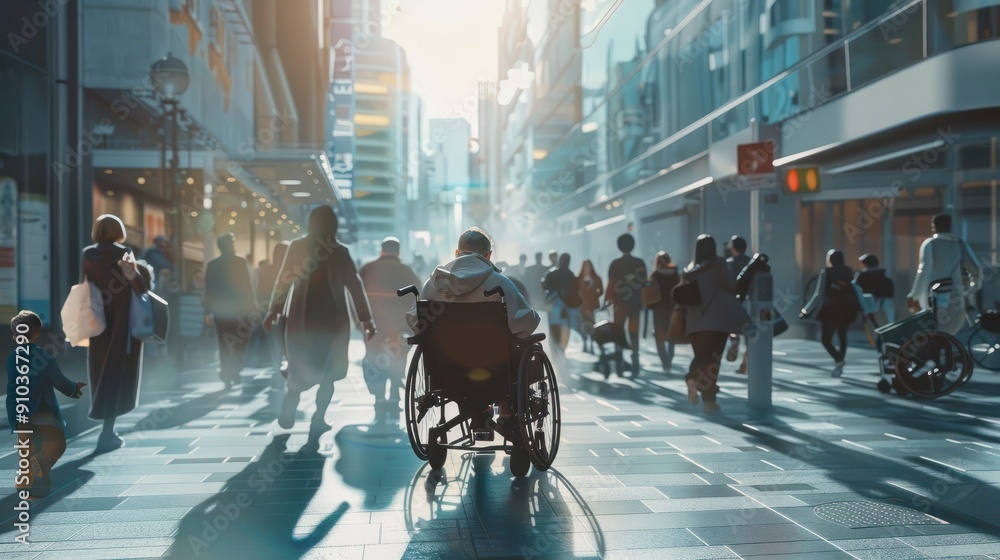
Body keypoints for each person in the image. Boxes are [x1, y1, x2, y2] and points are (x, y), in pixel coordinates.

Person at [264, 206, 376, 433]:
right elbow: (355, 287)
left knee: (299, 366)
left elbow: (283, 282)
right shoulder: (340, 251)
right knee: (329, 373)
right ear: (333, 225)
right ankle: (319, 417)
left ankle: (291, 400)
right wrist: (366, 320)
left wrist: (274, 311)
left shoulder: (297, 247)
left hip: (301, 320)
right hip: (333, 322)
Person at [83, 214, 149, 451]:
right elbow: (140, 287)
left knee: (100, 372)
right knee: (119, 373)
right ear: (118, 230)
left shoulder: (88, 254)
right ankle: (107, 431)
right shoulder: (124, 253)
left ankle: (105, 426)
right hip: (122, 322)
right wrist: (133, 271)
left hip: (97, 321)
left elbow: (84, 285)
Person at [6, 310, 86, 498]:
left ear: (14, 336)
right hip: (42, 410)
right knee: (56, 444)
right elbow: (59, 381)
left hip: (18, 411)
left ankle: (25, 483)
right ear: (37, 333)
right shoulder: (44, 355)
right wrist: (74, 389)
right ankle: (40, 461)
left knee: (25, 448)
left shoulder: (12, 357)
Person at [407, 227, 540, 339]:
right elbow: (528, 323)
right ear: (488, 255)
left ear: (456, 253)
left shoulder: (433, 283)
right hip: (492, 362)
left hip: (441, 365)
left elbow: (415, 323)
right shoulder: (501, 283)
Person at [680, 235, 749, 413]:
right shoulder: (720, 264)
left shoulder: (689, 269)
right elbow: (731, 285)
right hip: (717, 322)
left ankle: (692, 378)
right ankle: (709, 402)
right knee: (712, 362)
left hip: (695, 323)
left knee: (701, 357)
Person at [359, 237, 420, 425]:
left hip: (373, 327)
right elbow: (419, 297)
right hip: (398, 328)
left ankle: (379, 400)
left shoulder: (367, 269)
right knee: (397, 359)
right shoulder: (407, 271)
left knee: (374, 359)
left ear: (381, 250)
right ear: (399, 252)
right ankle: (394, 399)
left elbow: (354, 295)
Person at [907, 214, 984, 335]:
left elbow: (923, 271)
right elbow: (975, 269)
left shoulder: (929, 244)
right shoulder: (959, 243)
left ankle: (940, 352)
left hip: (933, 297)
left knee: (935, 332)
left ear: (934, 227)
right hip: (956, 295)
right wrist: (971, 289)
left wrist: (914, 295)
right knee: (953, 332)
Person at [204, 233, 257, 389]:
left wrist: (207, 311)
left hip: (221, 311)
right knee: (240, 341)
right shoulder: (239, 262)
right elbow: (247, 286)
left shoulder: (213, 265)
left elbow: (209, 290)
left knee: (224, 342)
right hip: (240, 310)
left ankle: (227, 372)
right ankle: (234, 371)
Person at [801, 249, 860, 377]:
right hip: (847, 309)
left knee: (826, 339)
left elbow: (818, 294)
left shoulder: (826, 272)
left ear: (830, 260)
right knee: (842, 336)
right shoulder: (848, 271)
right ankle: (839, 363)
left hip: (830, 310)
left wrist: (806, 310)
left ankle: (838, 361)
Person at [605, 234, 646, 377]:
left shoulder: (615, 264)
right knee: (634, 333)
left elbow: (611, 284)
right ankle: (635, 361)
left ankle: (619, 361)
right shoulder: (639, 263)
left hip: (619, 304)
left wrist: (608, 300)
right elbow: (644, 283)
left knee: (618, 331)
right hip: (635, 304)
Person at [257, 242, 289, 381]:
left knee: (274, 339)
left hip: (270, 310)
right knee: (286, 339)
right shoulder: (293, 270)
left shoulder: (266, 271)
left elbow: (260, 292)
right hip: (287, 311)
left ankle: (276, 364)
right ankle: (286, 363)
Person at [542, 253, 582, 353]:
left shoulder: (551, 274)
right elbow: (576, 289)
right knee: (565, 327)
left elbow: (544, 286)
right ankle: (562, 349)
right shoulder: (571, 275)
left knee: (553, 327)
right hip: (567, 306)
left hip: (554, 304)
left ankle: (555, 348)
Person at [647, 252, 680, 373]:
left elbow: (648, 293)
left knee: (659, 338)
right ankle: (670, 361)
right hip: (672, 308)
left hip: (658, 309)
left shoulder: (655, 275)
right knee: (671, 337)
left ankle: (665, 363)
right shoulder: (676, 275)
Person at [725, 236, 752, 374]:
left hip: (732, 301)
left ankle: (734, 339)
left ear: (733, 248)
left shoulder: (728, 263)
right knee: (749, 334)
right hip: (748, 301)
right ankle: (745, 364)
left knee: (732, 326)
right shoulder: (750, 263)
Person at [855, 253, 896, 325]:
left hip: (870, 306)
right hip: (881, 305)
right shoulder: (883, 275)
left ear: (866, 264)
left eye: (862, 263)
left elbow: (855, 288)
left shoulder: (861, 276)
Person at [576, 260, 604, 354]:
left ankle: (591, 343)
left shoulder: (596, 278)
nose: (587, 268)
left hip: (592, 306)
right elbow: (575, 291)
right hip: (582, 306)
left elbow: (601, 291)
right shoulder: (578, 279)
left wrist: (594, 294)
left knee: (592, 324)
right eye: (585, 266)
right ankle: (584, 343)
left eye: (588, 266)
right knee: (583, 324)